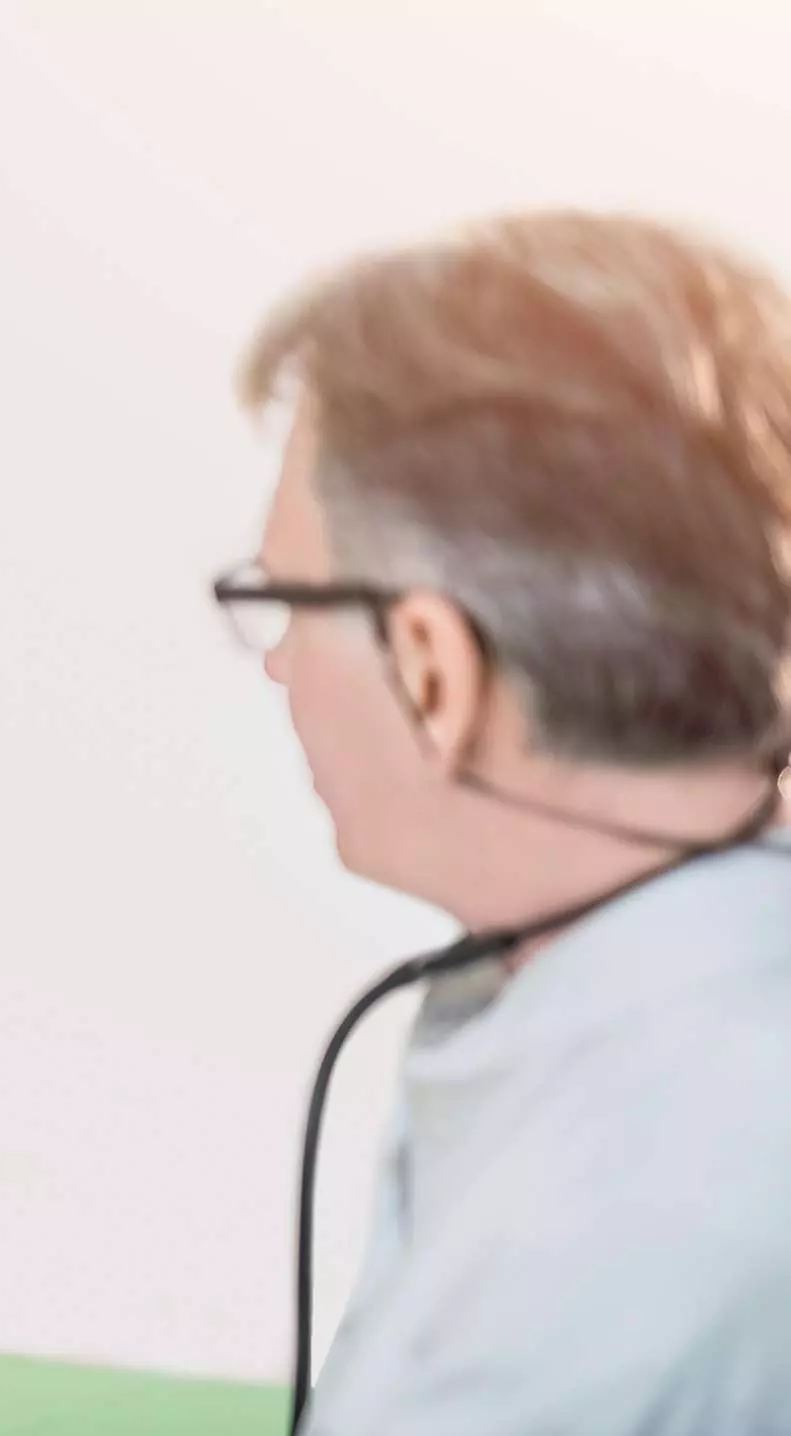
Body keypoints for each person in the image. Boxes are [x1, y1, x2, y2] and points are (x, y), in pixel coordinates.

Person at [214, 211, 791, 1435]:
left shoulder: (624, 1251)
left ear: (429, 667)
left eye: (282, 604)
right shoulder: (582, 991)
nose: (275, 669)